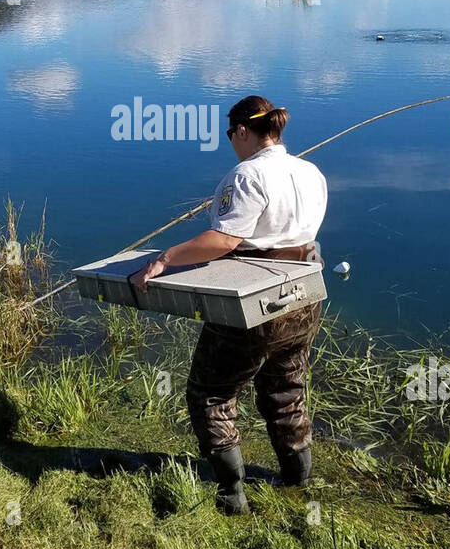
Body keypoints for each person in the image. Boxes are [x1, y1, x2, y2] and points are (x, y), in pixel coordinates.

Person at [131, 96, 328, 514]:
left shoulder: (246, 175)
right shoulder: (311, 171)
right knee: (287, 389)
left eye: (229, 134)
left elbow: (225, 241)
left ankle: (231, 495)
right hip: (306, 293)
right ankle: (298, 480)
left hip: (255, 301)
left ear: (242, 131)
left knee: (210, 393)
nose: (230, 143)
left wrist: (164, 259)